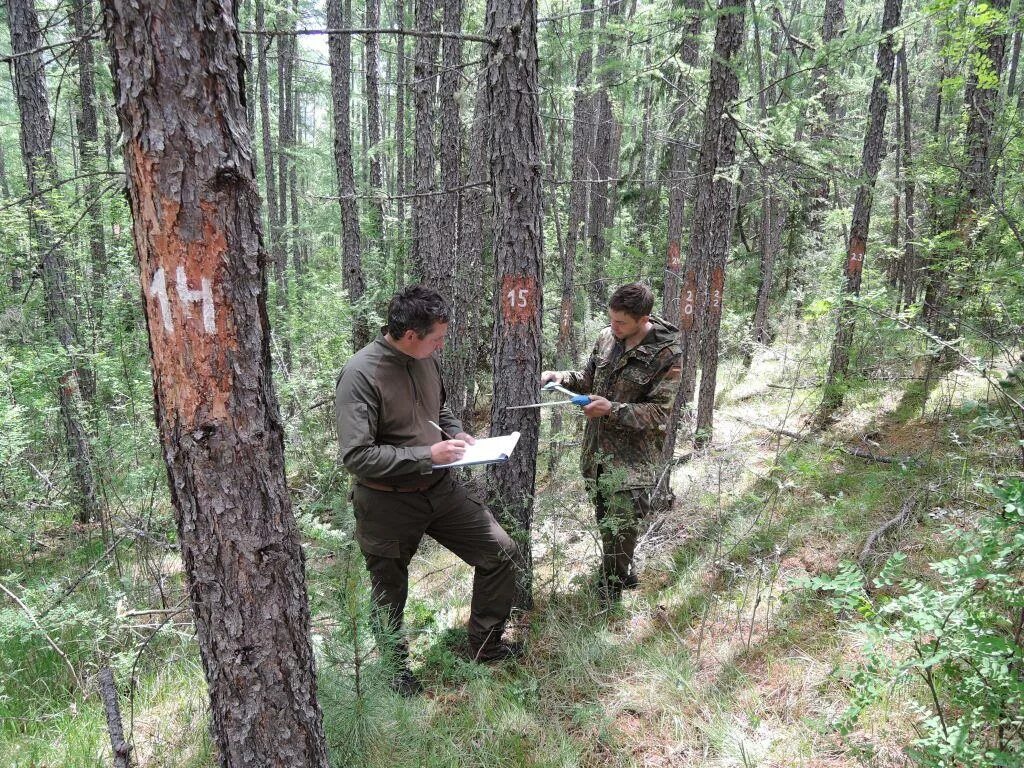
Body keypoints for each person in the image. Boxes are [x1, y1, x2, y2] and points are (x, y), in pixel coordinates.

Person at [335, 285, 523, 696]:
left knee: (500, 551)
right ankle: (395, 669)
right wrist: (427, 455)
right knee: (390, 588)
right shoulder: (360, 374)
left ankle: (486, 647)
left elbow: (439, 409)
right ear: (409, 335)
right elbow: (357, 456)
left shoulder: (425, 361)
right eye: (436, 338)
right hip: (385, 500)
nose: (441, 345)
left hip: (440, 489)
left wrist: (456, 434)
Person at [541, 283, 681, 603]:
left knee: (621, 520)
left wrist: (612, 409)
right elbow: (589, 378)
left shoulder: (667, 353)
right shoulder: (606, 337)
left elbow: (660, 411)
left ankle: (610, 594)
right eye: (612, 319)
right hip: (597, 450)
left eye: (621, 323)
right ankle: (622, 568)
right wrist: (561, 377)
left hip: (634, 457)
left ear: (643, 319)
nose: (614, 327)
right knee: (606, 517)